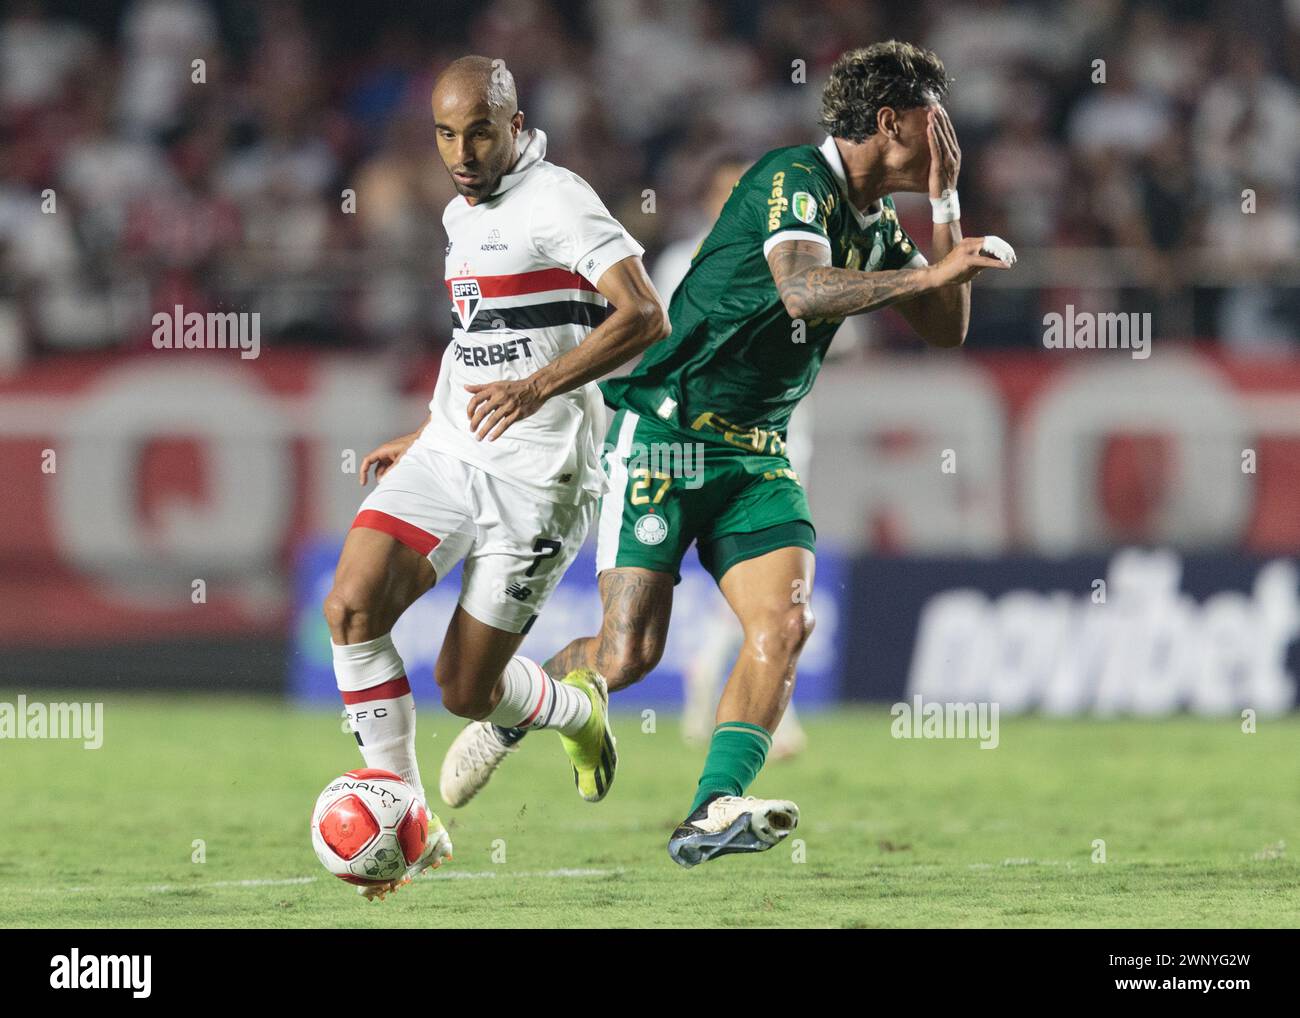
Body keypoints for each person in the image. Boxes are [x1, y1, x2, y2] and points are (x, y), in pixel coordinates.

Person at [441, 41, 1015, 868]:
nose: (951, 134)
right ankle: (511, 714)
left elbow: (948, 332)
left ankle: (713, 808)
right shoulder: (792, 177)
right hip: (670, 436)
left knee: (785, 622)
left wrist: (948, 206)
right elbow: (802, 288)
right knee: (627, 655)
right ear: (892, 122)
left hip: (755, 456)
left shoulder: (880, 223)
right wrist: (926, 278)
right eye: (938, 121)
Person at [325, 55, 668, 898]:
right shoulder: (458, 213)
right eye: (446, 133)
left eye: (480, 129)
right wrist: (430, 427)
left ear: (516, 124)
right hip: (456, 450)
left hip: (539, 476)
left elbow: (645, 314)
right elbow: (480, 335)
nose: (463, 149)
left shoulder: (558, 199)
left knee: (465, 689)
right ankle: (405, 819)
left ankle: (577, 712)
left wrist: (538, 387)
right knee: (351, 606)